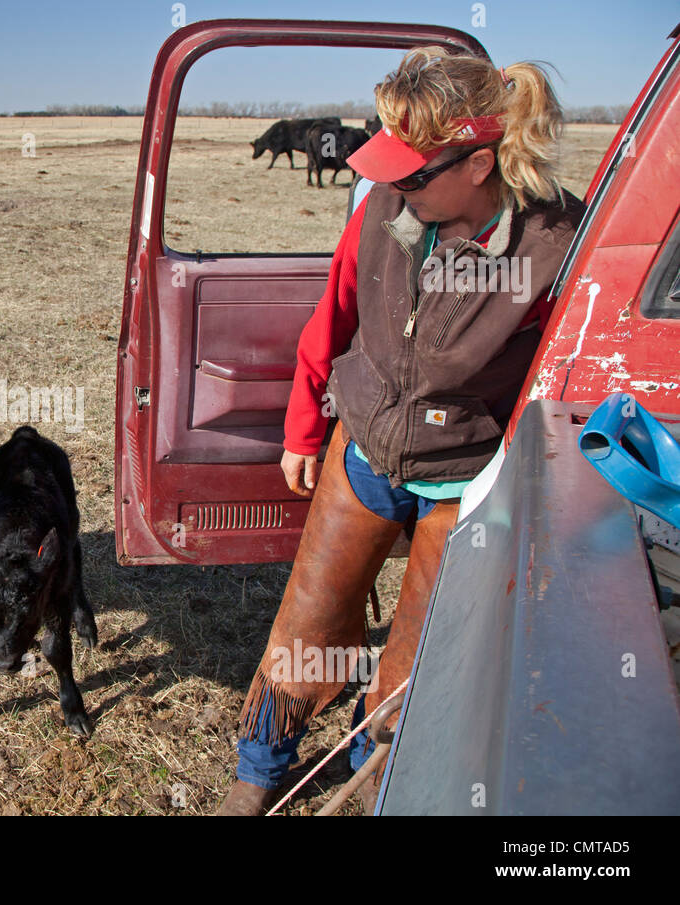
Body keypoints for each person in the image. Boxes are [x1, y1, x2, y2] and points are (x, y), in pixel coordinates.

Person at [217, 47, 587, 816]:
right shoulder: (383, 206)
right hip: (364, 454)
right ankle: (256, 773)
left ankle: (376, 776)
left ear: (481, 163)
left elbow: (559, 375)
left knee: (413, 661)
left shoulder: (555, 243)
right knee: (307, 626)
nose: (393, 183)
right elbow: (335, 313)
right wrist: (300, 426)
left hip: (464, 479)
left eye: (413, 173)